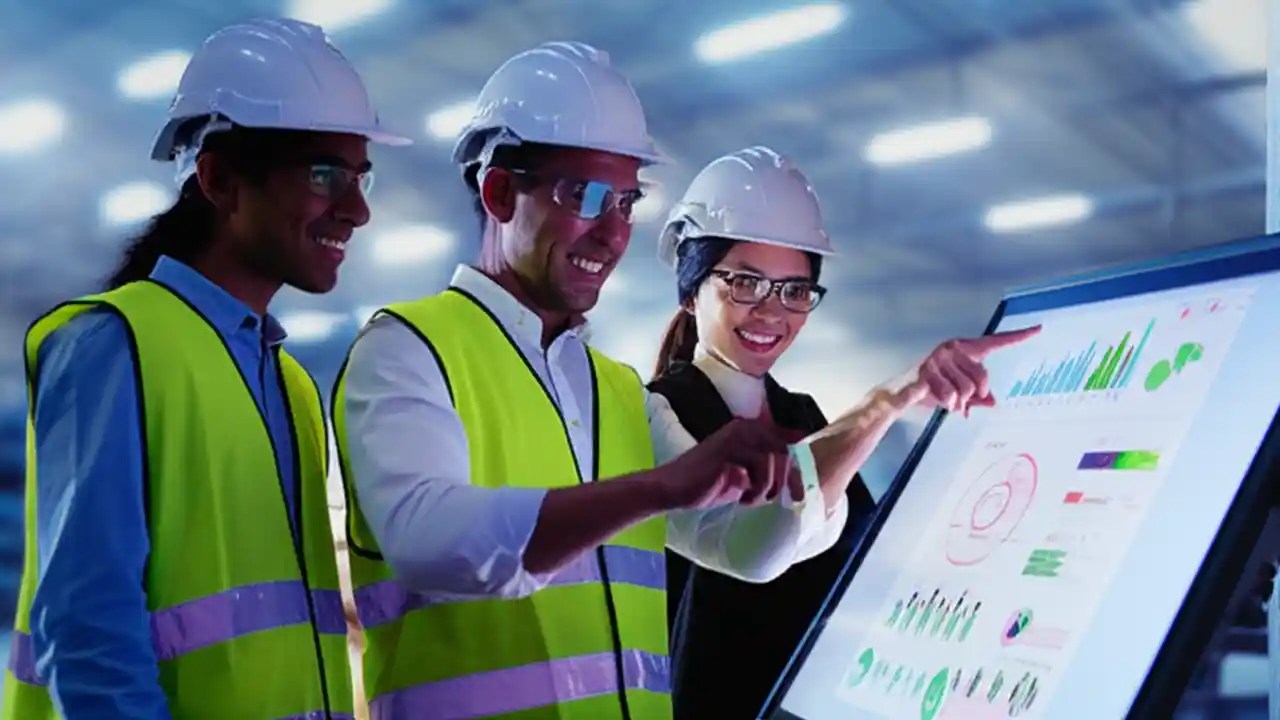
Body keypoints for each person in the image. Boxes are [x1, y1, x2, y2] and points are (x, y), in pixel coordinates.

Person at [331, 43, 1032, 720]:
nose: (613, 234)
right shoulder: (408, 348)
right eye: (587, 196)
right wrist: (663, 486)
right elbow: (433, 545)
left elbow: (749, 548)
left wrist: (893, 399)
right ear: (500, 190)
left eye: (626, 203)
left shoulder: (615, 394)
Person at [1, 17, 409, 720]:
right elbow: (89, 631)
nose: (358, 209)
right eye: (325, 175)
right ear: (220, 179)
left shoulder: (291, 384)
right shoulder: (112, 343)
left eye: (360, 177)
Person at [647, 145, 1039, 718]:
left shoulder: (802, 415)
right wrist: (886, 401)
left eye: (795, 290)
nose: (771, 312)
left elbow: (869, 560)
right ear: (690, 289)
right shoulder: (656, 414)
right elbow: (750, 544)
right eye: (744, 283)